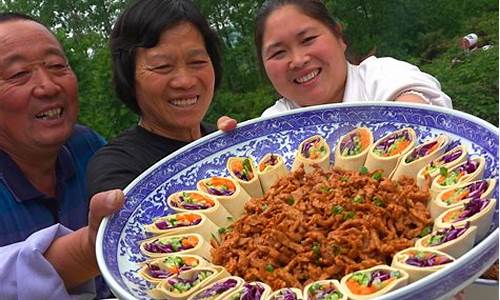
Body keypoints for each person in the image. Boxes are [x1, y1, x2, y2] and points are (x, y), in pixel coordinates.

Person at [0, 12, 124, 299]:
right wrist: (90, 248)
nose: (48, 86)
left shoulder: (88, 147)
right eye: (19, 74)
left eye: (57, 66)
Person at [86, 0, 235, 196]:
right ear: (129, 77)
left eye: (197, 62)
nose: (185, 81)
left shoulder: (228, 141)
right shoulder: (117, 167)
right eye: (162, 66)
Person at [254, 0, 453, 117]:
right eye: (278, 53)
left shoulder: (381, 75)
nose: (297, 60)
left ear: (339, 37)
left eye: (308, 39)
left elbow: (416, 100)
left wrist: (411, 112)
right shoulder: (272, 122)